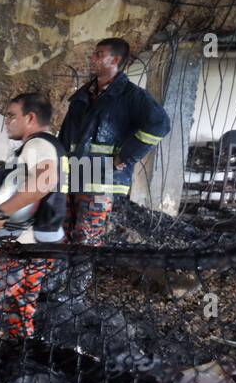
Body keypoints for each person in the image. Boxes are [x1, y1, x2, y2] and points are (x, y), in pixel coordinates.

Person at [0, 92, 67, 345]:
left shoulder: (37, 145)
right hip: (44, 241)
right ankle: (18, 353)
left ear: (30, 118)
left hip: (26, 244)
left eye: (11, 115)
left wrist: (1, 213)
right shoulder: (53, 146)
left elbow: (43, 183)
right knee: (20, 304)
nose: (6, 121)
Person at [57, 38, 170, 245]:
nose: (92, 58)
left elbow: (159, 124)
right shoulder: (83, 95)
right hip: (74, 177)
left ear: (115, 59)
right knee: (62, 236)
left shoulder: (131, 96)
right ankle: (62, 276)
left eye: (99, 54)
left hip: (102, 180)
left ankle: (80, 278)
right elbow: (65, 137)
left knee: (87, 239)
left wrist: (125, 156)